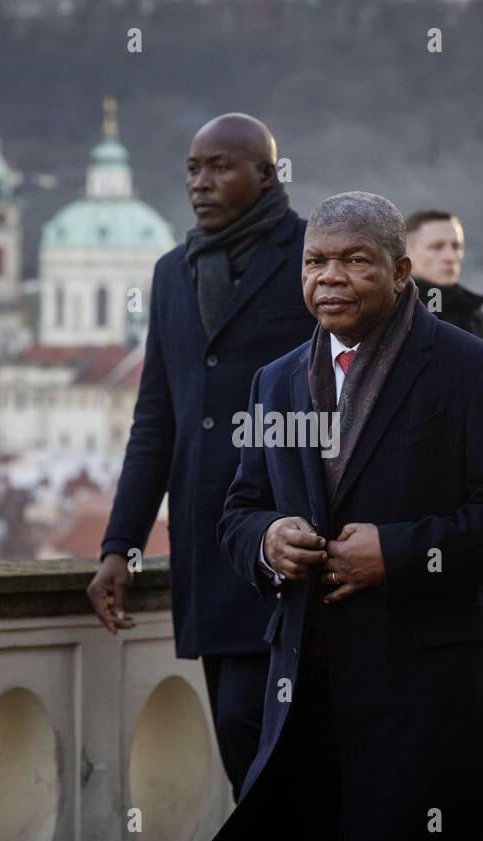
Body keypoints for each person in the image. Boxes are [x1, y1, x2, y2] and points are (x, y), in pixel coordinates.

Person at [197, 192, 483, 841]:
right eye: (315, 262)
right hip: (304, 689)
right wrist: (269, 542)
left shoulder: (477, 370)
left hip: (428, 695)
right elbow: (239, 511)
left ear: (401, 271)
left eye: (354, 261)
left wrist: (394, 553)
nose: (329, 277)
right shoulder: (276, 383)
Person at [86, 114, 316, 800]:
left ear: (267, 175)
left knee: (279, 739)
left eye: (220, 167)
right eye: (193, 167)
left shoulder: (312, 257)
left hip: (291, 540)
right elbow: (156, 419)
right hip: (206, 550)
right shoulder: (171, 273)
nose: (201, 183)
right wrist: (119, 543)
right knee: (236, 735)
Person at [405, 209, 483, 375]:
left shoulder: (468, 309)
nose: (450, 257)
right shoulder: (398, 310)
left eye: (456, 246)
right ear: (407, 252)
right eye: (437, 247)